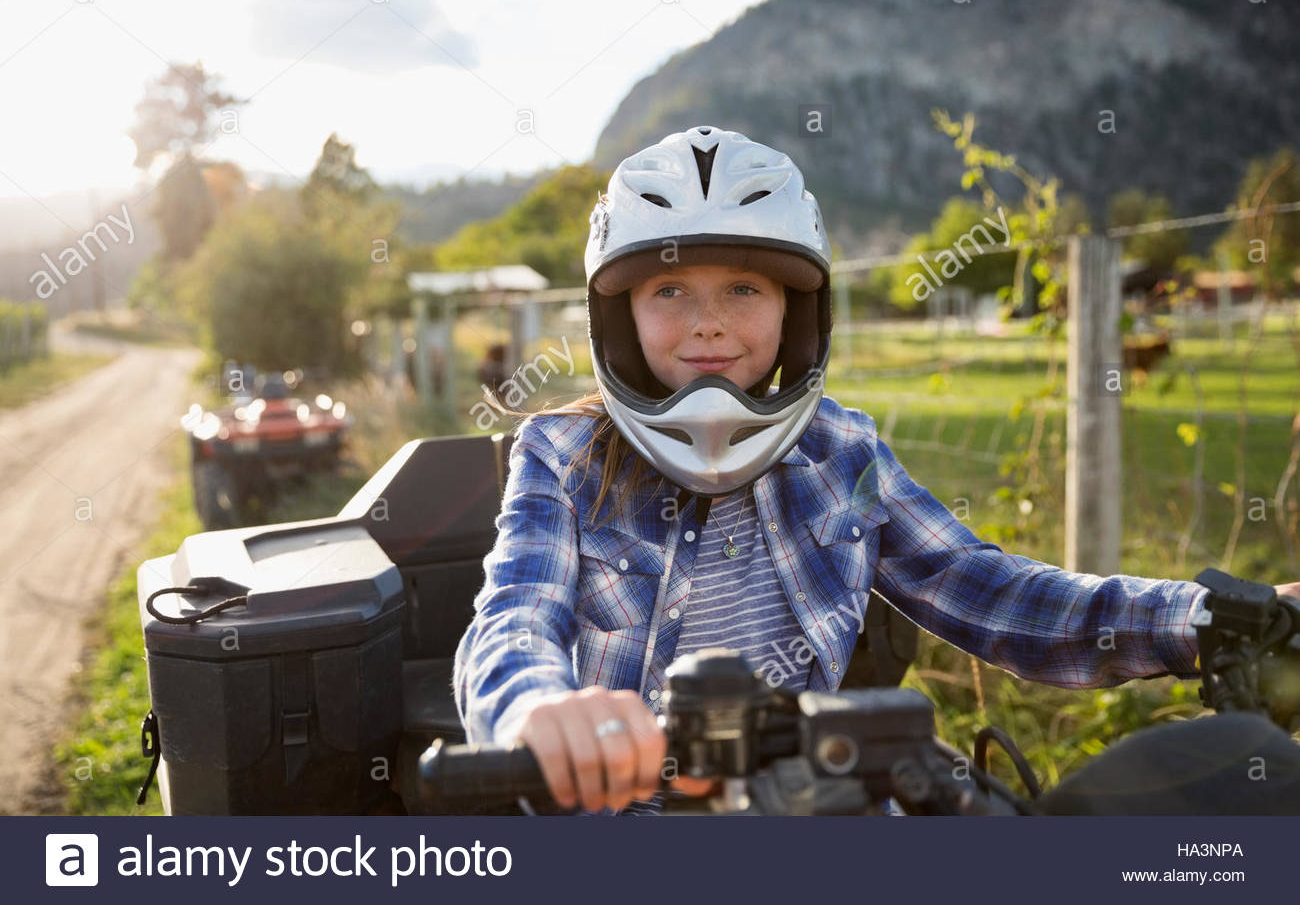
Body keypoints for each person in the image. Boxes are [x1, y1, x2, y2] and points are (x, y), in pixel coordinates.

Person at [452, 125, 1300, 816]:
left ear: (798, 310)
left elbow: (986, 589)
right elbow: (513, 619)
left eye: (744, 288)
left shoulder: (841, 453)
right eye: (669, 292)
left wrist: (1211, 618)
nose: (708, 324)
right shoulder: (559, 457)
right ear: (618, 316)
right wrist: (538, 712)